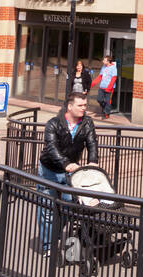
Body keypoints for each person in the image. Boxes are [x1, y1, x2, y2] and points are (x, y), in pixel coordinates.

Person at [37, 91, 98, 256]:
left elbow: (92, 143)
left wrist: (93, 161)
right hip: (49, 170)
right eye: (80, 105)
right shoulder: (54, 124)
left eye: (85, 105)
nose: (84, 109)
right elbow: (52, 147)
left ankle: (55, 234)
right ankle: (48, 246)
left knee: (68, 207)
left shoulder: (86, 123)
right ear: (70, 107)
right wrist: (66, 163)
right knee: (46, 208)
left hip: (70, 172)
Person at [95, 53, 118, 117]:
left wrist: (109, 88)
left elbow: (114, 79)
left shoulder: (113, 68)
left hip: (109, 88)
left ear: (108, 61)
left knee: (108, 101)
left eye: (104, 60)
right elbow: (100, 77)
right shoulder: (103, 67)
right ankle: (105, 107)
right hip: (102, 86)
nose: (103, 61)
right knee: (99, 99)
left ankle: (107, 113)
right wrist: (92, 83)